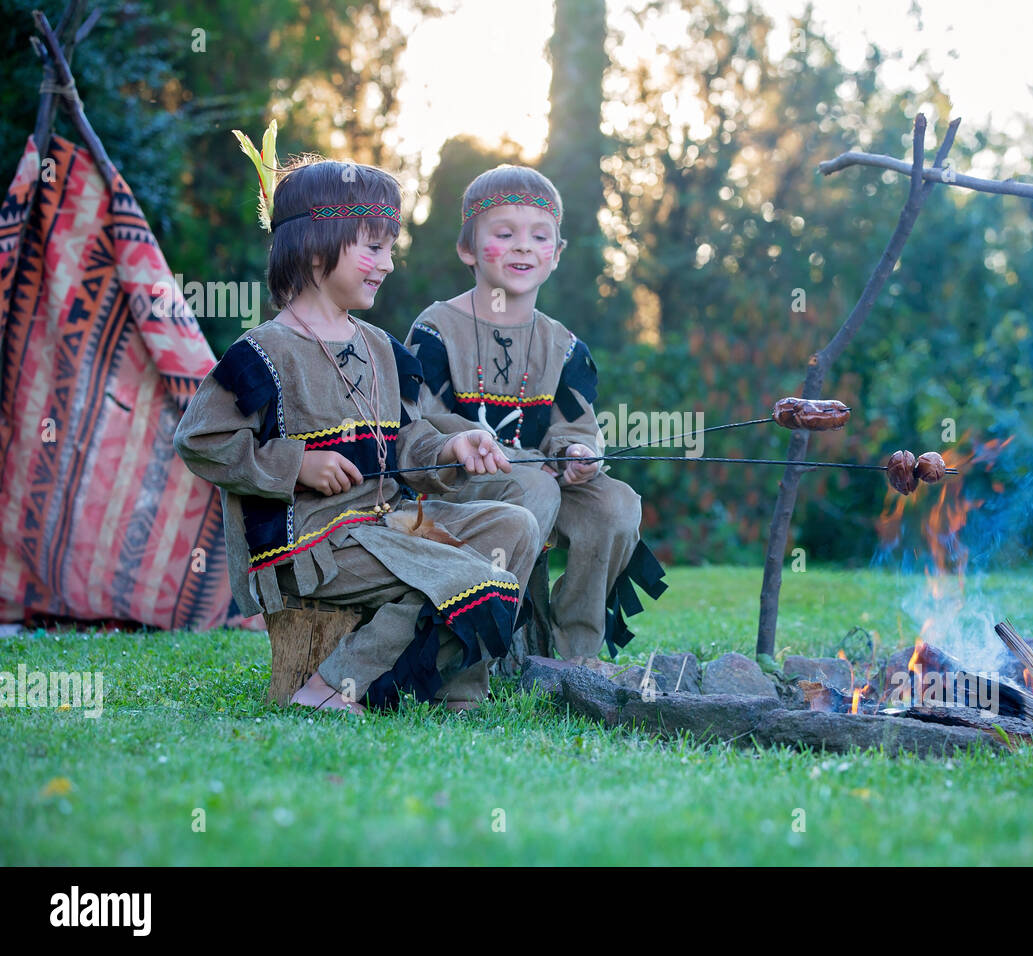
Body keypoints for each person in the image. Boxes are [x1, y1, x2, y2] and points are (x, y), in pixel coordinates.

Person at [174, 139, 540, 713]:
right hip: (311, 546)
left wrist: (454, 445)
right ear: (317, 251)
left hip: (387, 524)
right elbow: (201, 442)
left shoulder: (383, 351)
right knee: (457, 570)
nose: (389, 263)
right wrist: (298, 463)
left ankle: (449, 685)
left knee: (514, 528)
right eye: (373, 247)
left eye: (389, 247)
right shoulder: (263, 353)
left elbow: (409, 442)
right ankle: (329, 686)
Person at [404, 165, 665, 662]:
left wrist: (576, 453)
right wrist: (510, 456)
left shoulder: (565, 347)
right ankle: (487, 641)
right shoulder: (437, 328)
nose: (524, 246)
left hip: (542, 480)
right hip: (456, 482)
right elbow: (426, 416)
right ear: (467, 249)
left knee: (617, 505)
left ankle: (572, 653)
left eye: (539, 236)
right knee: (534, 483)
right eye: (505, 234)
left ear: (556, 255)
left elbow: (575, 425)